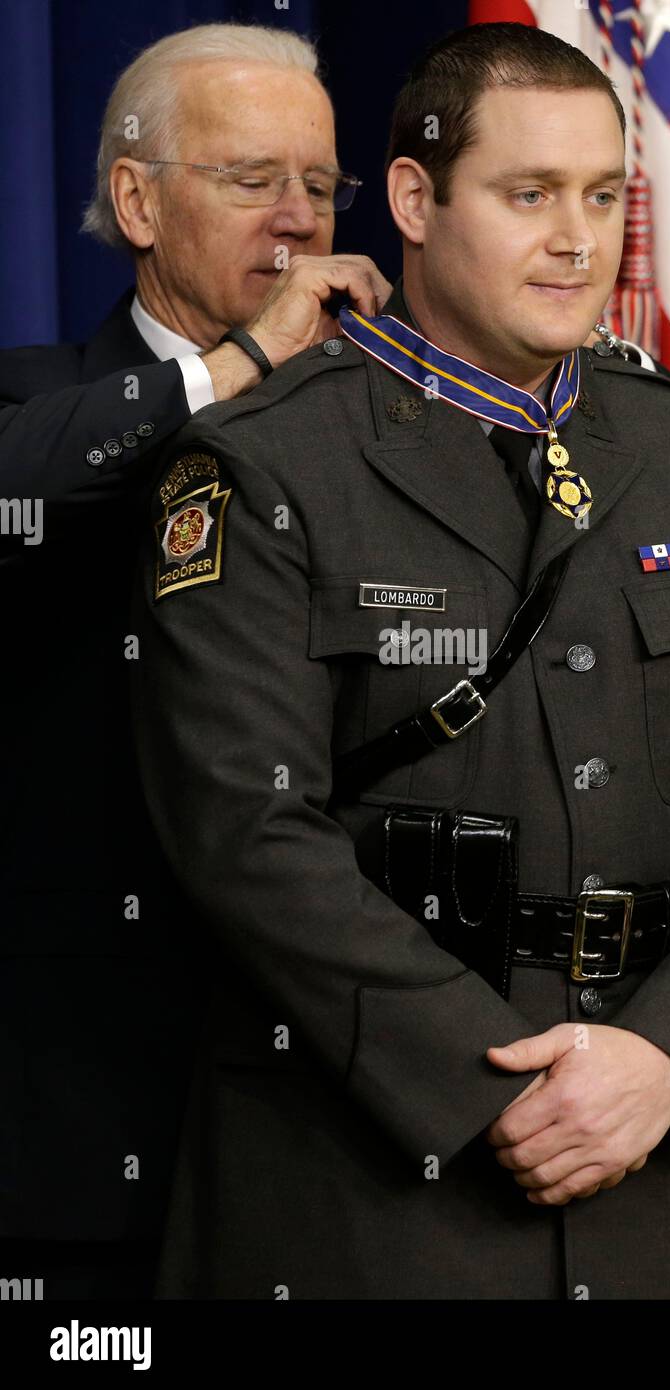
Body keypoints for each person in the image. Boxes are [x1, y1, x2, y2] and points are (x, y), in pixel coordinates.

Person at [132, 20, 670, 1300]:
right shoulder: (262, 463)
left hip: (656, 1168)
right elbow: (245, 833)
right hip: (362, 1178)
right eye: (527, 195)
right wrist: (500, 1091)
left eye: (599, 195)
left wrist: (665, 1058)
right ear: (413, 200)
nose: (576, 238)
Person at [0, 22, 391, 1300]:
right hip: (90, 1130)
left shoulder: (391, 426)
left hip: (349, 1132)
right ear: (137, 199)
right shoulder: (36, 400)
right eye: (250, 179)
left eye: (319, 188)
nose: (296, 220)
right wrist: (245, 363)